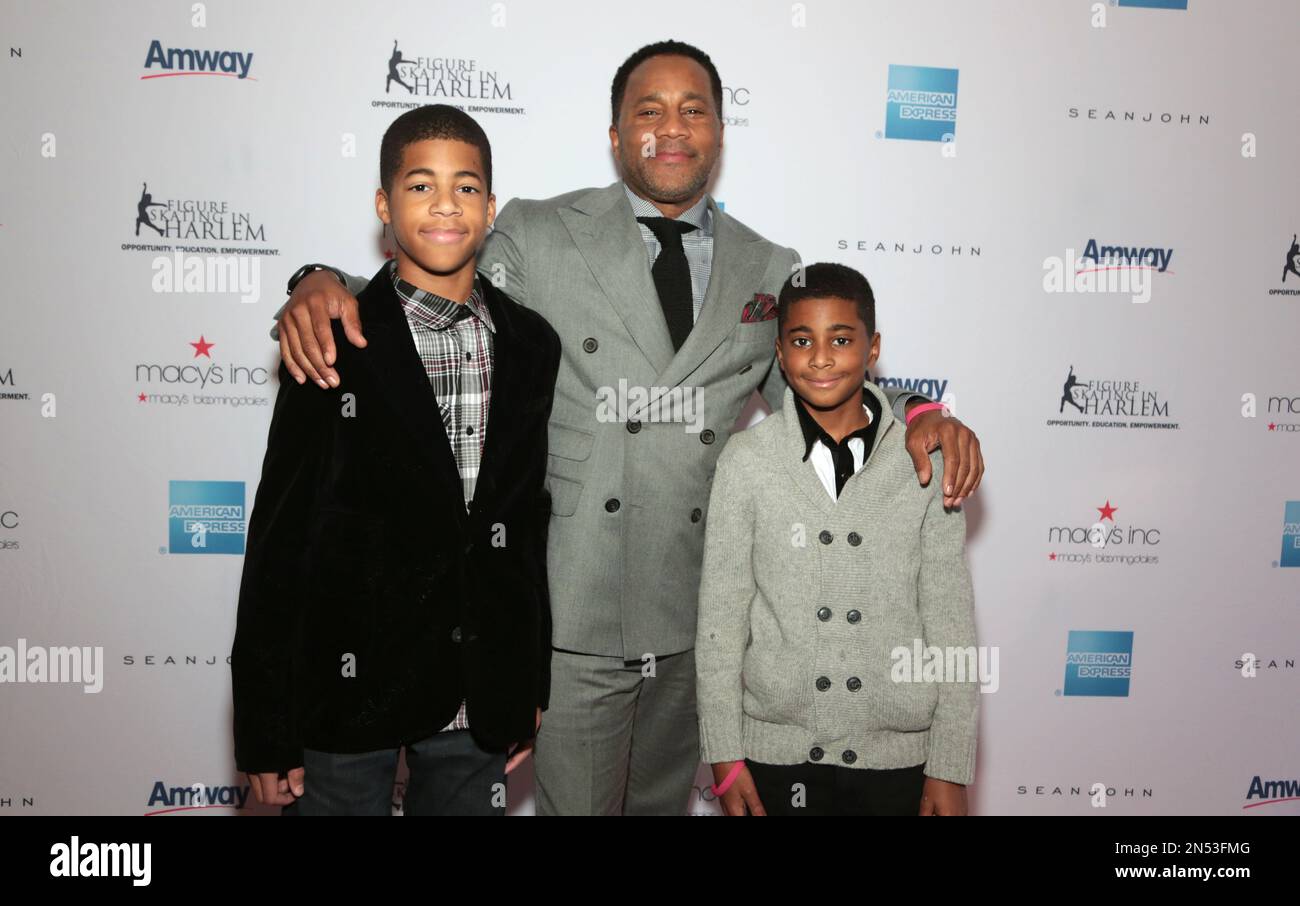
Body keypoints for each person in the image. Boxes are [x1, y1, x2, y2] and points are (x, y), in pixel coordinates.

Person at [270, 41, 984, 815]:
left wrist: (917, 411)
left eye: (692, 110)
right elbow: (434, 288)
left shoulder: (771, 266)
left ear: (718, 130)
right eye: (647, 111)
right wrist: (318, 281)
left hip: (696, 611)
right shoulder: (541, 231)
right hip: (573, 604)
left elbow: (824, 390)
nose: (670, 128)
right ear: (615, 137)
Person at [231, 104, 560, 815]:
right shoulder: (332, 336)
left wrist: (527, 681)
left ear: (492, 205)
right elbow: (280, 540)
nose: (446, 204)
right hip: (347, 692)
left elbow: (526, 524)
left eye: (467, 187)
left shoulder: (532, 343)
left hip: (478, 696)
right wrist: (265, 730)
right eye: (420, 186)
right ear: (384, 205)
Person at [696, 263, 978, 816]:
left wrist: (950, 764)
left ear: (873, 349)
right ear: (780, 354)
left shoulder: (924, 461)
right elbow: (720, 624)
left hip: (899, 763)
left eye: (841, 340)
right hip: (774, 758)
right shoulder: (747, 462)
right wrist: (725, 756)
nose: (821, 358)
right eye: (802, 341)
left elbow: (951, 624)